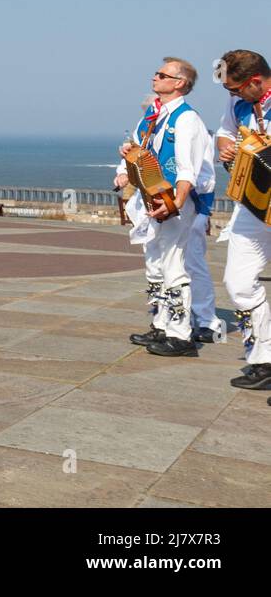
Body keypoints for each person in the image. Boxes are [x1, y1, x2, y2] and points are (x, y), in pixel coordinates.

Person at [115, 58, 219, 357]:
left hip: (172, 200)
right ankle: (161, 324)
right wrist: (124, 163)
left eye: (162, 75)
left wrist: (176, 203)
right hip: (151, 197)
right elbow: (136, 147)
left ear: (179, 83)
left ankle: (180, 334)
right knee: (155, 264)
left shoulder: (187, 119)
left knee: (175, 264)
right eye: (156, 73)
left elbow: (189, 168)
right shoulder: (152, 114)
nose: (154, 78)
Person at [213, 49, 271, 392]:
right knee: (238, 283)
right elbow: (224, 132)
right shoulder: (238, 104)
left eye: (235, 90)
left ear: (255, 82)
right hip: (251, 203)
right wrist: (225, 148)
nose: (231, 96)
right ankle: (263, 359)